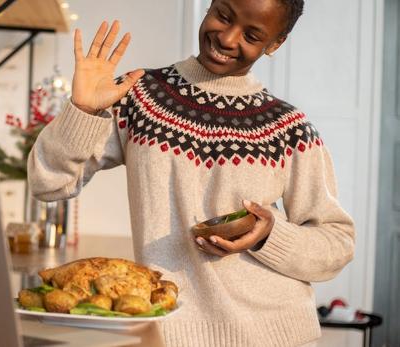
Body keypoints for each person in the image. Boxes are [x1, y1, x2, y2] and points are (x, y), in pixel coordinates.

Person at [27, 0, 355, 346]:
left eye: (252, 34)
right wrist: (82, 110)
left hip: (275, 335)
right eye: (223, 16)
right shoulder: (139, 96)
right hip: (172, 335)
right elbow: (48, 183)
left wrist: (267, 235)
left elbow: (336, 243)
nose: (228, 38)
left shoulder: (289, 128)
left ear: (275, 44)